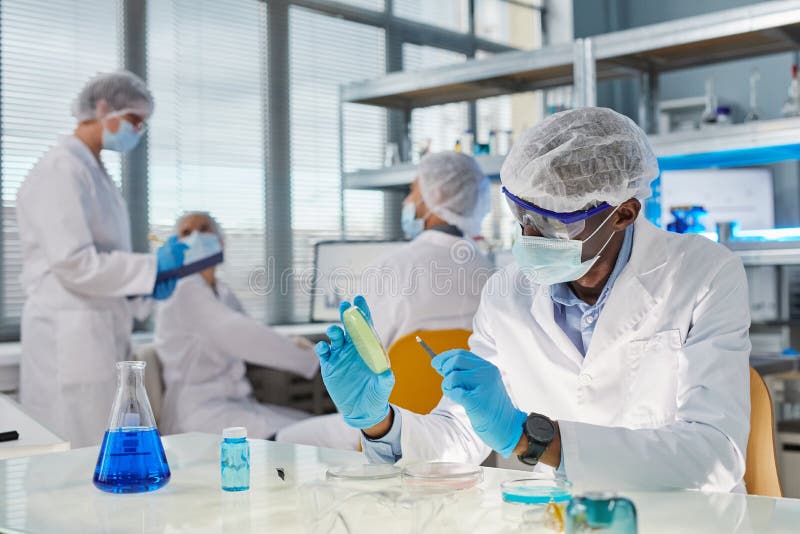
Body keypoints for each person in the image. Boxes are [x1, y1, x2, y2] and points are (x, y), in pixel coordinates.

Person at [315, 108, 752, 492]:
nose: (527, 236)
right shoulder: (507, 293)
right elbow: (461, 436)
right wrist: (379, 423)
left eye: (551, 222)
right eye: (521, 213)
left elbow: (714, 454)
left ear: (624, 213)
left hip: (676, 521)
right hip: (551, 518)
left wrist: (532, 439)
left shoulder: (704, 274)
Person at [276, 151, 494, 450]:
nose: (407, 201)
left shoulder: (392, 268)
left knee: (286, 439)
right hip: (471, 433)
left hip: (390, 426)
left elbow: (360, 367)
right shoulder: (490, 272)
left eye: (412, 190)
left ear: (437, 195)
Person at [16, 71, 186, 448]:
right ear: (103, 107)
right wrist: (151, 268)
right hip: (69, 335)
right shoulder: (61, 169)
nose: (138, 132)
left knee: (103, 452)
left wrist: (146, 289)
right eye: (134, 121)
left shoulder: (96, 174)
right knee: (71, 457)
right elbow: (73, 264)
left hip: (97, 332)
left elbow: (106, 265)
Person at [154, 211, 319, 438]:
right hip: (199, 413)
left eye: (203, 230)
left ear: (221, 242)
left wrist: (292, 344)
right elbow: (240, 333)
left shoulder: (222, 292)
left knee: (312, 426)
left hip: (236, 404)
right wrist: (311, 357)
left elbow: (249, 328)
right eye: (186, 232)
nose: (196, 237)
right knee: (310, 437)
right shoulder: (183, 290)